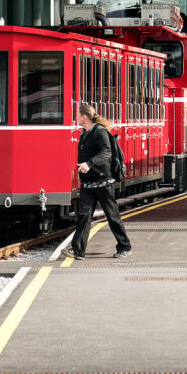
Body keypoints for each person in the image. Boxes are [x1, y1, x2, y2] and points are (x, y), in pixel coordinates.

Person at [71, 103, 132, 259]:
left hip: (103, 182)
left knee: (112, 215)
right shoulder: (84, 133)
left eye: (78, 116)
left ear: (85, 117)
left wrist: (89, 163)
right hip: (88, 182)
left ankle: (124, 246)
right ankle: (78, 250)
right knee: (84, 216)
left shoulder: (100, 132)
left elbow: (106, 153)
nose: (76, 118)